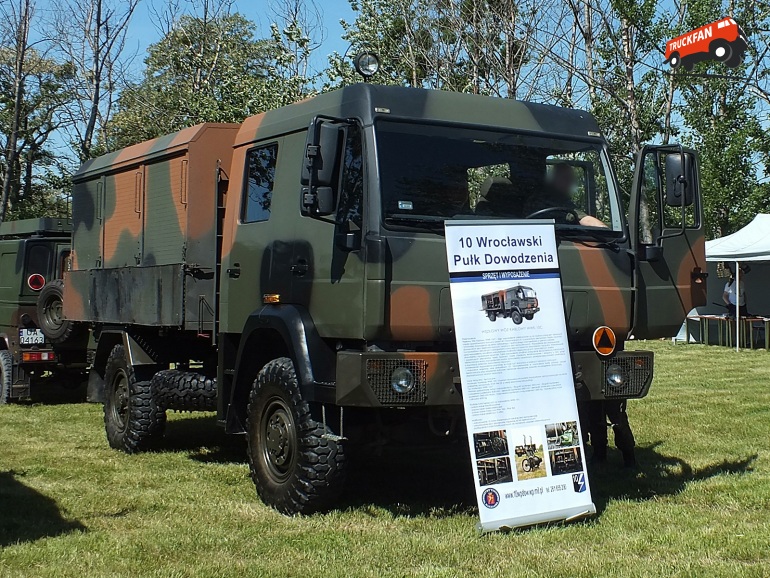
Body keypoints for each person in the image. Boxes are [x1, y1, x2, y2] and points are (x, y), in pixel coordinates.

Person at [526, 163, 608, 228]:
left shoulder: (539, 194)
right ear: (554, 178)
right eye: (566, 178)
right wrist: (607, 231)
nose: (570, 183)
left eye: (571, 180)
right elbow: (583, 218)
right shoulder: (555, 199)